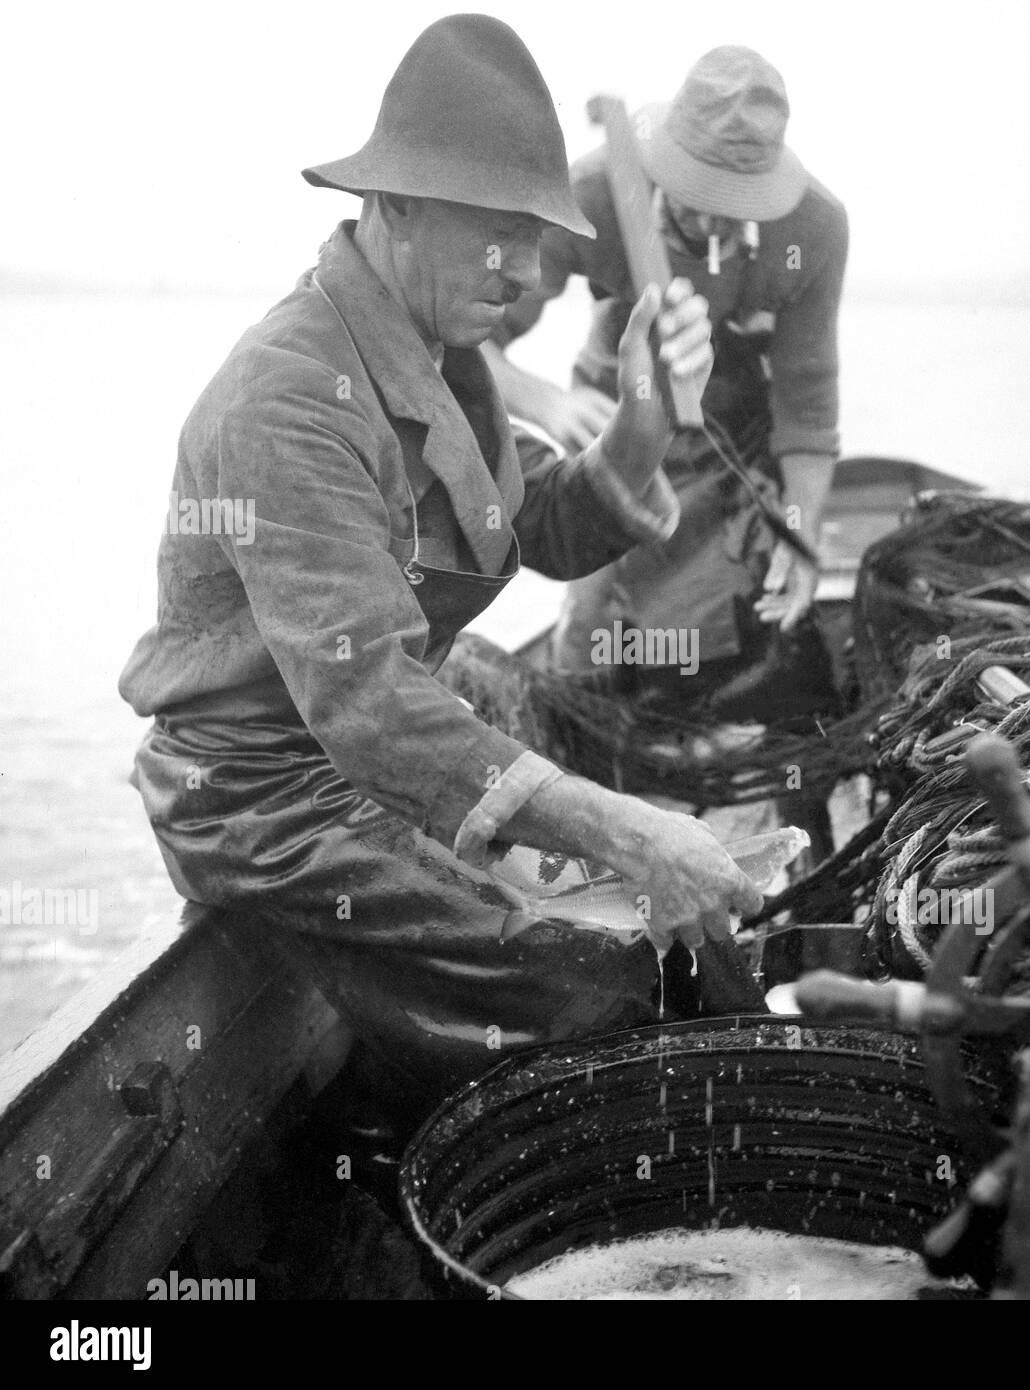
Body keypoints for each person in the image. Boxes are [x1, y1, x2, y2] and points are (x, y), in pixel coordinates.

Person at [118, 15, 763, 1098]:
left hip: (382, 757)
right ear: (393, 206)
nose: (520, 275)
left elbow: (543, 522)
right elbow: (368, 698)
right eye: (491, 233)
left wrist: (651, 398)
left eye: (534, 238)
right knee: (608, 971)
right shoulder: (286, 398)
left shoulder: (441, 348)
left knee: (656, 929)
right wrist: (632, 832)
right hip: (265, 799)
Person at [482, 45, 849, 730]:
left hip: (738, 421)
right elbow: (470, 339)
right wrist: (548, 402)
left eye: (733, 205)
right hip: (616, 402)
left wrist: (803, 534)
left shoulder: (814, 228)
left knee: (742, 616)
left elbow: (808, 403)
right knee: (595, 629)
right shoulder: (590, 193)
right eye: (697, 199)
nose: (712, 222)